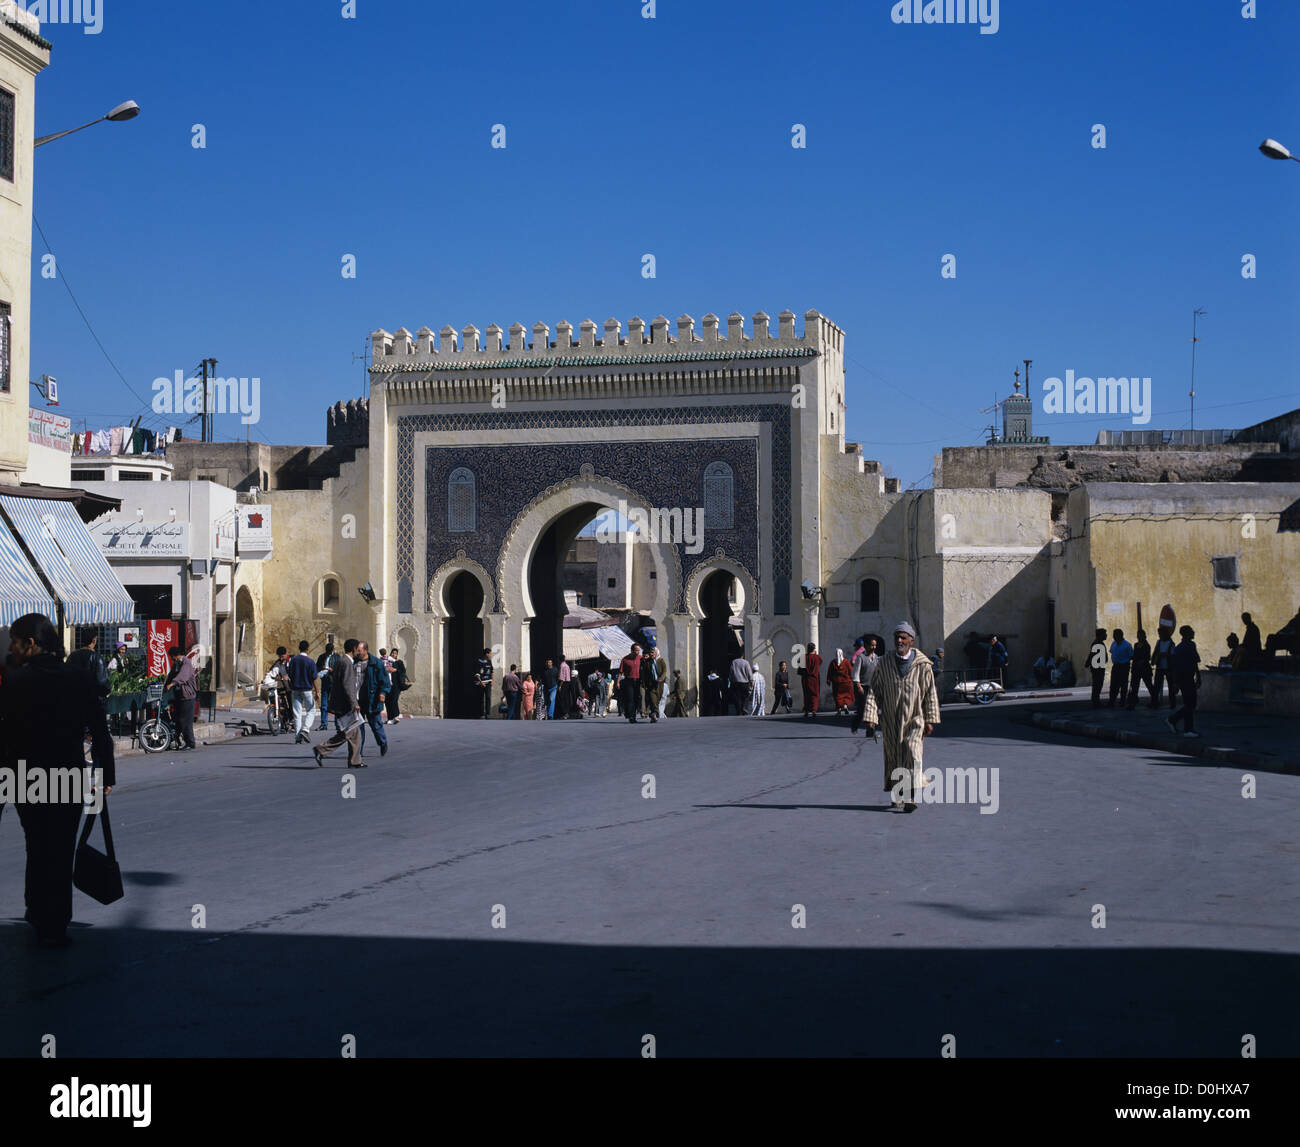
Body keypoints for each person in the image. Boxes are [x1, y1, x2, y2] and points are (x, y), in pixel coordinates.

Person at [0, 613, 115, 948]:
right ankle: (57, 921)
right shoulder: (77, 678)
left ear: (30, 644)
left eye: (15, 643)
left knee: (36, 846)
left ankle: (38, 913)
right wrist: (106, 773)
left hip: (25, 777)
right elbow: (99, 730)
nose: (12, 649)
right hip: (68, 775)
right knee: (62, 849)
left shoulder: (16, 682)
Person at [862, 621, 941, 813]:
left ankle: (910, 796)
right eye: (897, 637)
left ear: (911, 640)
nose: (899, 640)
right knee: (895, 757)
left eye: (903, 637)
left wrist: (931, 719)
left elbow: (930, 693)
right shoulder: (885, 663)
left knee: (913, 755)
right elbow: (875, 692)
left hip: (915, 718)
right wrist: (871, 717)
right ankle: (898, 794)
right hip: (890, 719)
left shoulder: (923, 665)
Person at [314, 638, 364, 767]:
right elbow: (347, 685)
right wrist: (354, 703)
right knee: (349, 733)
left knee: (352, 733)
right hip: (344, 704)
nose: (359, 652)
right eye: (358, 649)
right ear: (353, 649)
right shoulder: (346, 663)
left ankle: (355, 761)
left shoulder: (342, 661)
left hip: (341, 702)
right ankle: (321, 749)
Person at [355, 642, 391, 758]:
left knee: (376, 725)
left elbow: (384, 681)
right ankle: (358, 753)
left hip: (372, 699)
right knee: (358, 727)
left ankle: (382, 742)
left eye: (359, 650)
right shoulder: (354, 662)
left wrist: (382, 693)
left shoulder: (376, 663)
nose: (358, 652)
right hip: (358, 700)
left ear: (365, 650)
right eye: (357, 650)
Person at [1167, 625, 1202, 738]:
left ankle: (1186, 727)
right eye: (1191, 631)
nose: (1193, 632)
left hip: (1189, 677)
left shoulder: (1191, 645)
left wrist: (1198, 676)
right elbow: (1175, 667)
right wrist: (1175, 682)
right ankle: (1179, 723)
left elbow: (1195, 662)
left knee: (1191, 703)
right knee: (1190, 703)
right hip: (1184, 678)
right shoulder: (1180, 648)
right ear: (1186, 633)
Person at [164, 645, 200, 750]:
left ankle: (190, 742)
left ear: (177, 655)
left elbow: (182, 677)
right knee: (178, 719)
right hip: (180, 695)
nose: (172, 659)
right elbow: (171, 674)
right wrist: (165, 683)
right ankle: (179, 740)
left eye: (172, 657)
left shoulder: (186, 663)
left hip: (188, 696)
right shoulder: (177, 664)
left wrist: (172, 684)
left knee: (186, 720)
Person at [287, 640, 319, 744]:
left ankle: (297, 736)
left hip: (295, 689)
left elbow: (289, 674)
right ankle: (305, 729)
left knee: (297, 713)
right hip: (307, 689)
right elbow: (314, 677)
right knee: (311, 710)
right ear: (307, 649)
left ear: (299, 648)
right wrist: (317, 691)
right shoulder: (310, 661)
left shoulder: (293, 660)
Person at [66, 627, 110, 699]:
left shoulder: (72, 656)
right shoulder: (97, 658)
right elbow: (102, 682)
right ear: (94, 640)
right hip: (92, 700)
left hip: (74, 699)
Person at [850, 637, 880, 733]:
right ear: (866, 646)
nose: (873, 647)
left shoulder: (876, 658)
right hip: (862, 686)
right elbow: (855, 673)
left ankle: (870, 730)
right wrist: (858, 686)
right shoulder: (861, 657)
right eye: (872, 645)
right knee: (862, 709)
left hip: (873, 687)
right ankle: (855, 725)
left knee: (872, 709)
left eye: (875, 645)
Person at [1151, 628, 1178, 709]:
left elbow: (1173, 655)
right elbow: (1155, 652)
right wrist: (1153, 661)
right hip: (1160, 666)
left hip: (1169, 667)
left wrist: (1165, 655)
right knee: (1156, 686)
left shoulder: (1171, 643)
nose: (1159, 635)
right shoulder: (1158, 642)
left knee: (1171, 685)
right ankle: (1154, 702)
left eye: (1161, 634)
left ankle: (1172, 703)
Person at [1126, 630, 1153, 708]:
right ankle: (1132, 703)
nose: (1139, 637)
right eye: (1138, 635)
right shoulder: (1136, 645)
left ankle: (1154, 701)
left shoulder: (1147, 645)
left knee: (1149, 685)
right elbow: (1135, 656)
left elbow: (1147, 657)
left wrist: (1140, 661)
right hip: (1136, 669)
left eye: (1141, 635)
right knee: (1134, 687)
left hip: (1144, 668)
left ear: (1144, 636)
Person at [1107, 628, 1133, 708]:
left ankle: (1122, 701)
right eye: (1114, 635)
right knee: (1113, 684)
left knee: (1123, 684)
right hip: (1116, 665)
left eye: (1115, 635)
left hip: (1124, 666)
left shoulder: (1127, 645)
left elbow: (1131, 656)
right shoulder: (1113, 644)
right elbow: (1111, 652)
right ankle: (1112, 701)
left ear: (1120, 635)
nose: (1114, 637)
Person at [643, 645, 667, 722]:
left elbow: (664, 671)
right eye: (650, 652)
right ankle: (654, 713)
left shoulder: (661, 661)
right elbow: (645, 674)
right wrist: (645, 685)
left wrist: (661, 678)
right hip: (651, 684)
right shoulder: (648, 662)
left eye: (653, 652)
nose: (651, 654)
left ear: (657, 653)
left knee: (658, 699)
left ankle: (653, 714)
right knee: (653, 699)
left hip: (660, 684)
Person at [619, 644, 643, 724]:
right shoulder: (625, 659)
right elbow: (620, 672)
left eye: (639, 650)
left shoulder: (641, 658)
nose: (637, 652)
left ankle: (634, 715)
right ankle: (631, 716)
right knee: (630, 699)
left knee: (636, 699)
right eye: (636, 650)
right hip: (629, 681)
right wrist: (618, 682)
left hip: (638, 681)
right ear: (632, 650)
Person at [799, 642, 823, 719]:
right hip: (815, 678)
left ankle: (806, 711)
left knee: (806, 694)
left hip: (806, 679)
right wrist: (815, 654)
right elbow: (820, 662)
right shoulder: (817, 657)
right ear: (814, 649)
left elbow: (799, 665)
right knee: (814, 695)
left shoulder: (803, 657)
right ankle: (813, 710)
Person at [316, 643, 336, 732]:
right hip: (325, 680)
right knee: (324, 705)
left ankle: (338, 724)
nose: (328, 653)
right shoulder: (321, 657)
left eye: (329, 652)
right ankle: (324, 724)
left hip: (334, 682)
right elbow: (316, 668)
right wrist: (321, 668)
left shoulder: (336, 657)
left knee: (336, 703)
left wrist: (332, 670)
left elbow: (340, 669)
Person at [827, 649, 853, 715]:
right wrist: (852, 679)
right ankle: (845, 706)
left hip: (837, 683)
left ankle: (839, 710)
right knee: (845, 696)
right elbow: (851, 671)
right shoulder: (846, 662)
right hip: (846, 683)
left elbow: (830, 672)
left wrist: (828, 680)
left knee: (837, 696)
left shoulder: (833, 662)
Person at [1088, 628, 1109, 708]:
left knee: (1098, 684)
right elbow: (1092, 655)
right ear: (1101, 635)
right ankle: (1096, 701)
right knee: (1097, 684)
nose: (1106, 635)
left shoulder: (1098, 643)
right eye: (1105, 634)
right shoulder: (1097, 644)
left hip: (1098, 667)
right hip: (1098, 668)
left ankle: (1096, 700)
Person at [387, 645, 408, 723]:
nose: (393, 654)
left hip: (397, 685)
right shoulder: (388, 662)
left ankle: (395, 716)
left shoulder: (399, 662)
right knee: (388, 700)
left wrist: (395, 670)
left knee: (394, 700)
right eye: (392, 653)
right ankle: (389, 718)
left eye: (395, 653)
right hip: (388, 683)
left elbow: (403, 671)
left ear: (397, 654)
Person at [728, 650, 753, 716]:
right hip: (745, 683)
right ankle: (744, 709)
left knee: (737, 697)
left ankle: (738, 710)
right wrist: (751, 681)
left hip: (735, 683)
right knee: (745, 697)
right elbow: (749, 673)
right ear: (742, 655)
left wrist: (730, 680)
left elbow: (731, 672)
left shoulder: (734, 662)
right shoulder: (746, 662)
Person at [474, 647, 493, 719]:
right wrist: (481, 683)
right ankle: (481, 713)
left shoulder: (489, 661)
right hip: (481, 683)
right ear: (486, 654)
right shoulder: (479, 661)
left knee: (488, 697)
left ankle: (488, 713)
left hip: (488, 682)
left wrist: (492, 680)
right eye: (490, 654)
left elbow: (491, 671)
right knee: (481, 698)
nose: (491, 655)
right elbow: (477, 674)